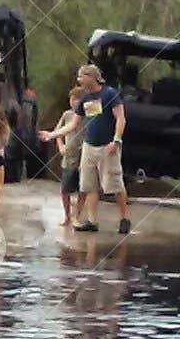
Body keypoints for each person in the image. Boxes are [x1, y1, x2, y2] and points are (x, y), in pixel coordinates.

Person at [53, 64, 130, 234]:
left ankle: (124, 218)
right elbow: (74, 124)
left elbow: (120, 118)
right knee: (89, 185)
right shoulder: (86, 100)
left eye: (81, 76)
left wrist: (116, 140)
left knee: (114, 183)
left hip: (107, 145)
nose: (79, 80)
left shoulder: (109, 93)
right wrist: (52, 135)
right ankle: (92, 221)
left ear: (92, 76)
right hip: (89, 146)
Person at [38, 84, 87, 226]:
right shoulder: (67, 115)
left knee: (83, 189)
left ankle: (77, 214)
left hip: (84, 154)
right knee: (65, 189)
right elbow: (58, 132)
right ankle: (67, 216)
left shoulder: (89, 115)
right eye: (72, 99)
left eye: (77, 99)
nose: (74, 102)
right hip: (69, 157)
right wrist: (60, 146)